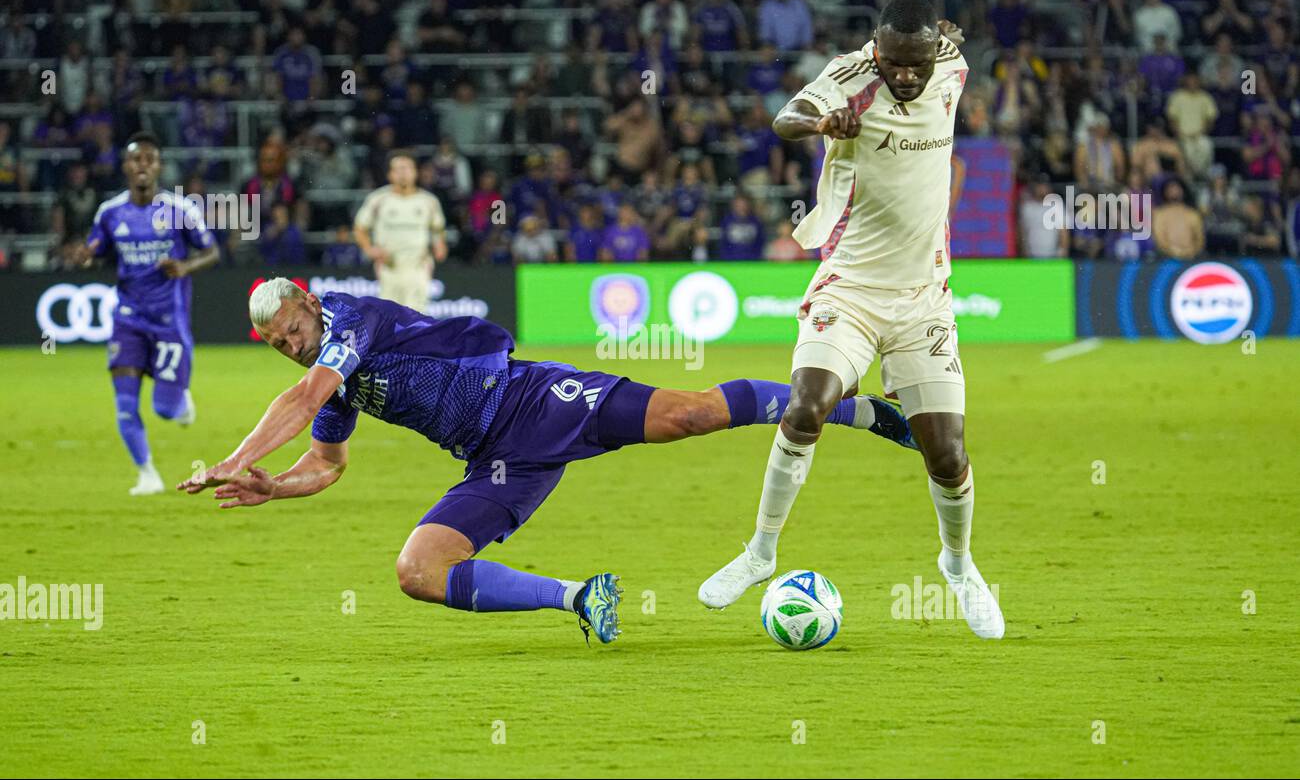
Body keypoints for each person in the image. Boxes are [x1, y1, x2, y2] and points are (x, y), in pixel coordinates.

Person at [178, 279, 919, 645]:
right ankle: (577, 598)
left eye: (292, 330)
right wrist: (275, 485)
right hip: (497, 461)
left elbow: (306, 396)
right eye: (279, 343)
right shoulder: (339, 378)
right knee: (418, 571)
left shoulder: (350, 318)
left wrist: (234, 457)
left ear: (307, 305)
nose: (293, 343)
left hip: (534, 400)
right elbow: (327, 460)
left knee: (690, 413)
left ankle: (860, 410)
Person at [696, 0, 1005, 641]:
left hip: (925, 296)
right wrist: (820, 124)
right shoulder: (852, 76)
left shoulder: (951, 64)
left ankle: (957, 563)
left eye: (916, 63)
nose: (907, 76)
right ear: (878, 50)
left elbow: (949, 38)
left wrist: (943, 35)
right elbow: (787, 117)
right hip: (854, 287)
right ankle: (760, 552)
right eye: (895, 62)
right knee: (805, 408)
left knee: (947, 454)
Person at [69, 132, 219, 495]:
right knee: (124, 402)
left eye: (150, 159)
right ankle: (147, 473)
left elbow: (212, 252)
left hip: (169, 319)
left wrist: (185, 267)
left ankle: (177, 397)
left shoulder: (180, 209)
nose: (143, 165)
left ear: (159, 166)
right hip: (128, 317)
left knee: (166, 411)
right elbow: (94, 248)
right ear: (125, 166)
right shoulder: (110, 212)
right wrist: (84, 257)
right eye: (136, 159)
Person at [353, 150, 448, 312]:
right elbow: (360, 228)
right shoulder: (378, 199)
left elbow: (437, 229)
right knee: (389, 316)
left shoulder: (429, 201)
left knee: (417, 316)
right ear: (390, 174)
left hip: (418, 266)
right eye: (398, 169)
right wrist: (370, 249)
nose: (403, 174)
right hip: (389, 266)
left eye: (407, 168)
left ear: (416, 172)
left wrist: (440, 245)